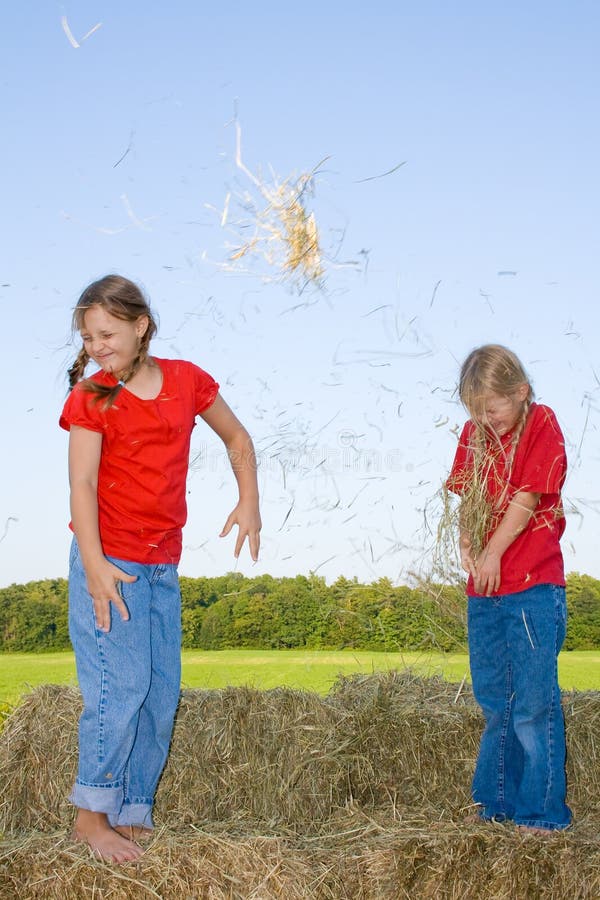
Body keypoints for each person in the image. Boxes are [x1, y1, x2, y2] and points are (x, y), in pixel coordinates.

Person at [60, 274, 261, 863]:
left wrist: (248, 499)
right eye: (88, 337)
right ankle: (90, 817)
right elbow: (82, 483)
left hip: (160, 565)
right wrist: (95, 566)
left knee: (159, 690)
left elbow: (238, 437)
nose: (97, 346)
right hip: (111, 561)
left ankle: (132, 809)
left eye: (107, 333)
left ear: (140, 325)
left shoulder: (186, 381)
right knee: (117, 686)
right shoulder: (91, 397)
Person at [447, 343, 571, 833]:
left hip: (533, 588)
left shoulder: (542, 423)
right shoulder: (474, 434)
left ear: (519, 393)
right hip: (485, 594)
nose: (484, 420)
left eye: (492, 408)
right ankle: (497, 804)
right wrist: (466, 544)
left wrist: (494, 551)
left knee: (534, 705)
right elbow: (468, 500)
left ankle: (540, 815)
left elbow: (527, 496)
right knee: (497, 701)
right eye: (475, 412)